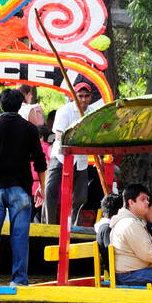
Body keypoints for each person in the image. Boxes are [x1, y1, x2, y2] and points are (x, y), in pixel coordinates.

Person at [0, 87, 48, 287]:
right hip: (21, 189)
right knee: (19, 238)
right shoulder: (30, 129)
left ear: (1, 104)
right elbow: (40, 162)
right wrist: (42, 187)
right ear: (19, 106)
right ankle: (19, 280)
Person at [44, 81, 101, 229]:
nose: (83, 100)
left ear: (90, 97)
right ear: (74, 96)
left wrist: (98, 156)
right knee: (50, 189)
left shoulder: (94, 113)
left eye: (86, 96)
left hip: (81, 160)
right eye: (80, 96)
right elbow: (59, 135)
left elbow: (95, 137)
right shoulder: (65, 110)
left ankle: (74, 227)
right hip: (61, 156)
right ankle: (49, 225)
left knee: (81, 196)